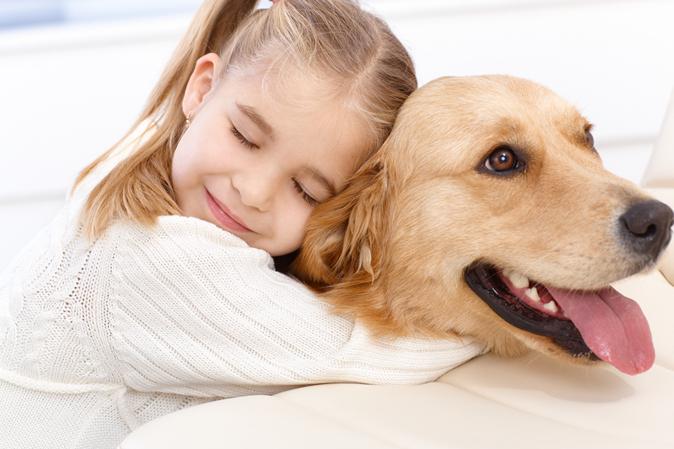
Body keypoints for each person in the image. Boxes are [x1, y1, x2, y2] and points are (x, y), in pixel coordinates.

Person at [0, 1, 485, 448]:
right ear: (202, 88)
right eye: (245, 137)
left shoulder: (148, 156)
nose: (253, 193)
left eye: (306, 191)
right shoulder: (146, 259)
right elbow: (357, 351)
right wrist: (486, 317)